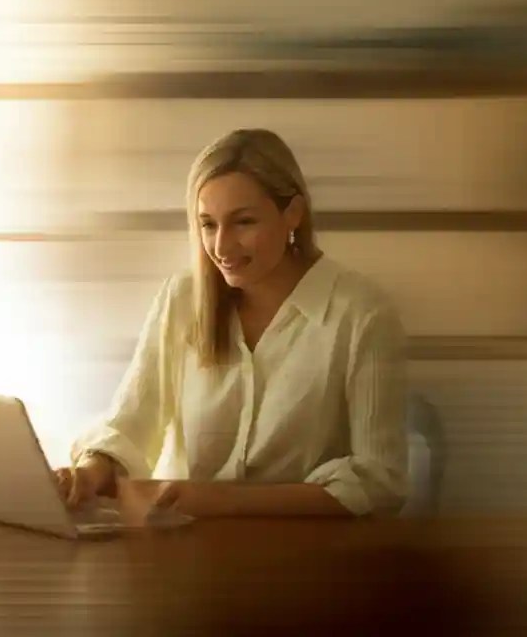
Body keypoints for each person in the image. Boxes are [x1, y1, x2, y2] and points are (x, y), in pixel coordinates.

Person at [56, 128, 408, 519]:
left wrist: (222, 502)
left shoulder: (362, 315)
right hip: (180, 549)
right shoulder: (181, 299)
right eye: (208, 224)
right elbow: (133, 420)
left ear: (293, 213)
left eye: (243, 223)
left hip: (306, 556)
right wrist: (89, 473)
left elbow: (380, 480)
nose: (221, 247)